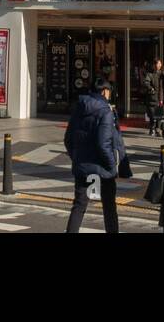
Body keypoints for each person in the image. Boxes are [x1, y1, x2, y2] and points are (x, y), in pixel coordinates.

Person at [65, 78, 126, 233]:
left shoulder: (79, 108)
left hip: (83, 166)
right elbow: (103, 143)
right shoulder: (105, 111)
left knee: (79, 206)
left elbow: (68, 139)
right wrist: (112, 166)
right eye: (109, 91)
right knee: (109, 208)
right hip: (103, 168)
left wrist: (77, 158)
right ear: (104, 91)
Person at [143, 58, 164, 137]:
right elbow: (146, 82)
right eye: (157, 64)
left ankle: (157, 129)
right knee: (152, 115)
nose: (159, 65)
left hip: (160, 97)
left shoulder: (162, 74)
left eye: (160, 64)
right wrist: (151, 88)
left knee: (159, 115)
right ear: (154, 65)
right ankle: (152, 128)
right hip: (152, 97)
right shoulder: (150, 74)